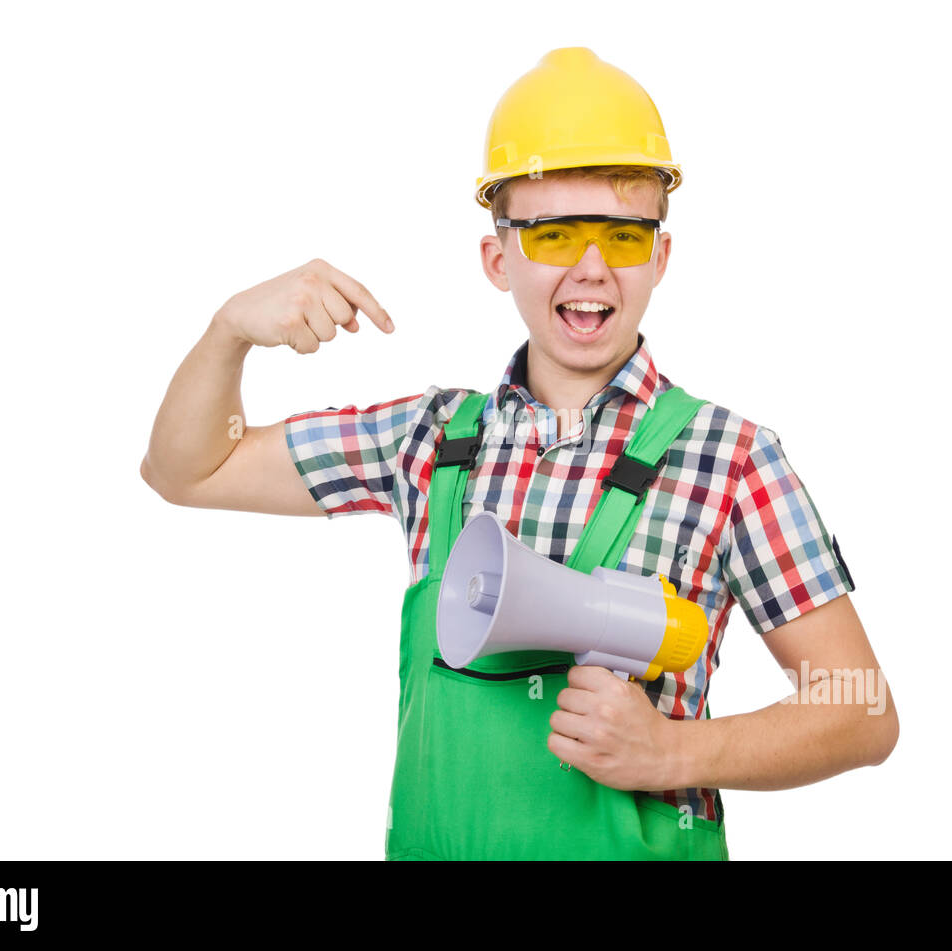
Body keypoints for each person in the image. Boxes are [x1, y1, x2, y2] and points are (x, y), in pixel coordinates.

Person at [140, 47, 898, 860]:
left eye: (623, 234)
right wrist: (228, 335)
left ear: (661, 257)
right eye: (556, 233)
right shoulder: (430, 441)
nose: (593, 266)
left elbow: (861, 706)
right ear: (498, 258)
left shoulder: (730, 459)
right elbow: (187, 469)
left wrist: (674, 753)